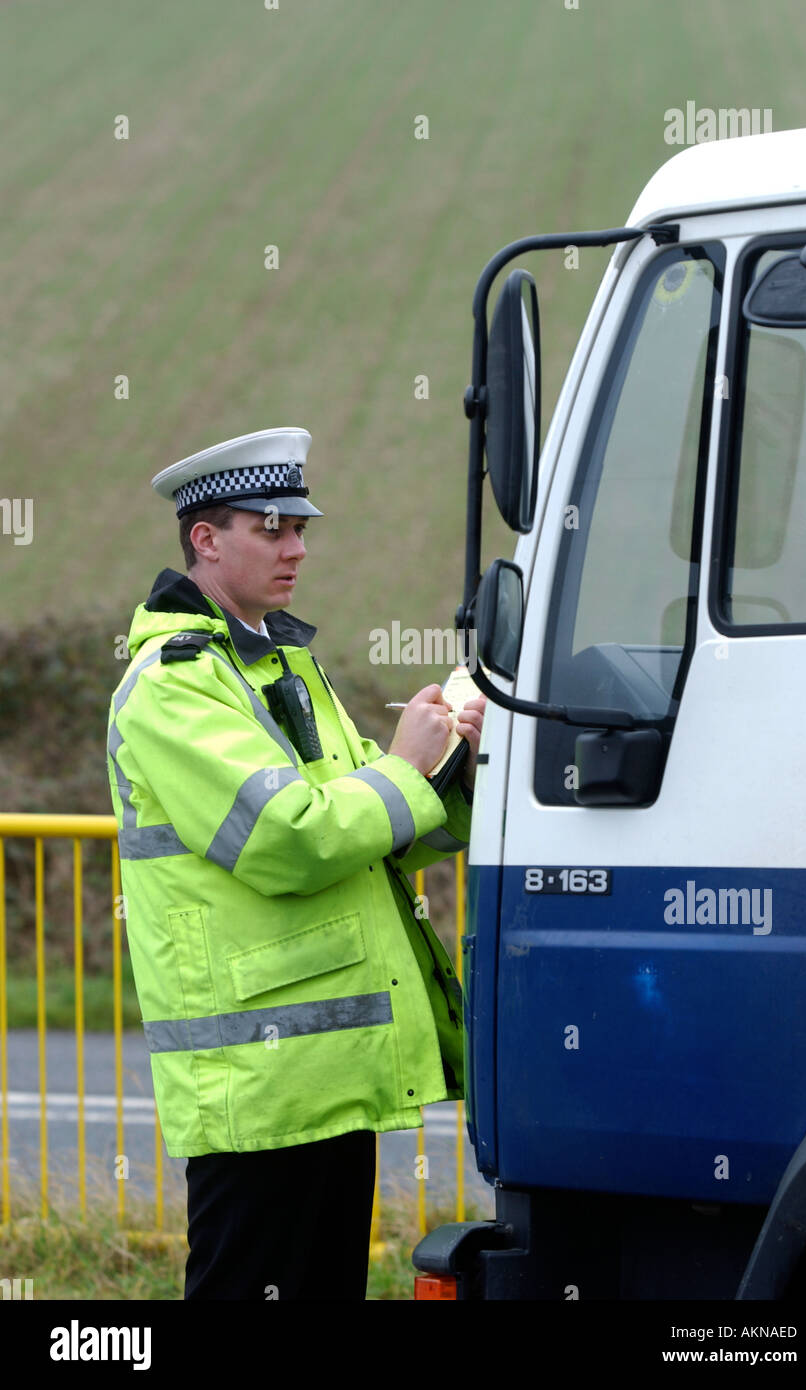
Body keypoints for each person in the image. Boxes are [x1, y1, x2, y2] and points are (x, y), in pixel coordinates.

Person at [105, 426, 486, 1301]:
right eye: (270, 528)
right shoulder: (175, 681)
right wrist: (400, 765)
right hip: (259, 1082)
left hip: (321, 1072)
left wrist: (450, 767)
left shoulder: (281, 660)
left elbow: (380, 832)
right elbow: (292, 839)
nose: (296, 547)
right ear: (205, 539)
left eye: (300, 527)